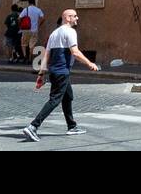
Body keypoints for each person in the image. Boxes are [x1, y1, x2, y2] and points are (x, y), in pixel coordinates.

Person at [22, 8, 99, 141]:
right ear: (68, 18)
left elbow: (46, 54)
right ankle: (33, 126)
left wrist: (41, 74)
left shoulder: (54, 33)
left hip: (56, 71)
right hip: (62, 72)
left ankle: (71, 126)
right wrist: (89, 63)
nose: (77, 18)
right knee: (54, 100)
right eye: (75, 16)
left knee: (68, 97)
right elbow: (75, 52)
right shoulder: (70, 31)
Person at [19, 0, 44, 64]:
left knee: (23, 44)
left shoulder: (26, 9)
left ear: (29, 3)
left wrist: (21, 25)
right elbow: (43, 18)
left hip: (26, 29)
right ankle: (30, 58)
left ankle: (25, 56)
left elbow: (19, 18)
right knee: (32, 45)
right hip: (34, 30)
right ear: (35, 3)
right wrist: (39, 25)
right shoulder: (38, 10)